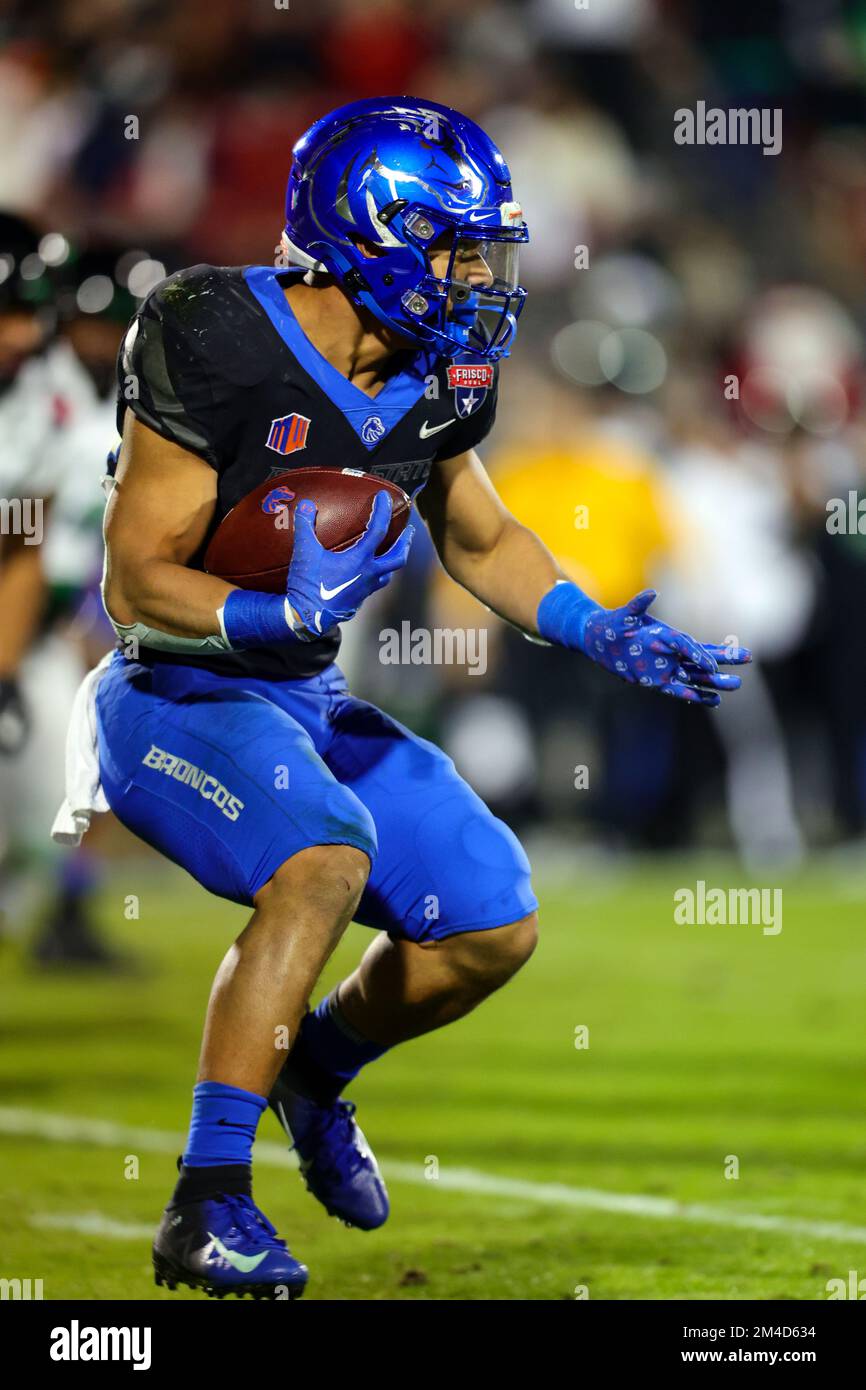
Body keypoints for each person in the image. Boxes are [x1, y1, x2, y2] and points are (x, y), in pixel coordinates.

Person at [62, 98, 749, 1298]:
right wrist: (264, 613)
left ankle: (312, 1067)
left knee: (492, 924)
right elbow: (135, 575)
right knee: (322, 857)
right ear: (369, 226)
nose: (478, 275)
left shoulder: (439, 367)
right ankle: (205, 1201)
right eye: (453, 245)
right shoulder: (215, 329)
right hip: (173, 688)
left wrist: (596, 626)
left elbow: (477, 535)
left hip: (306, 695)